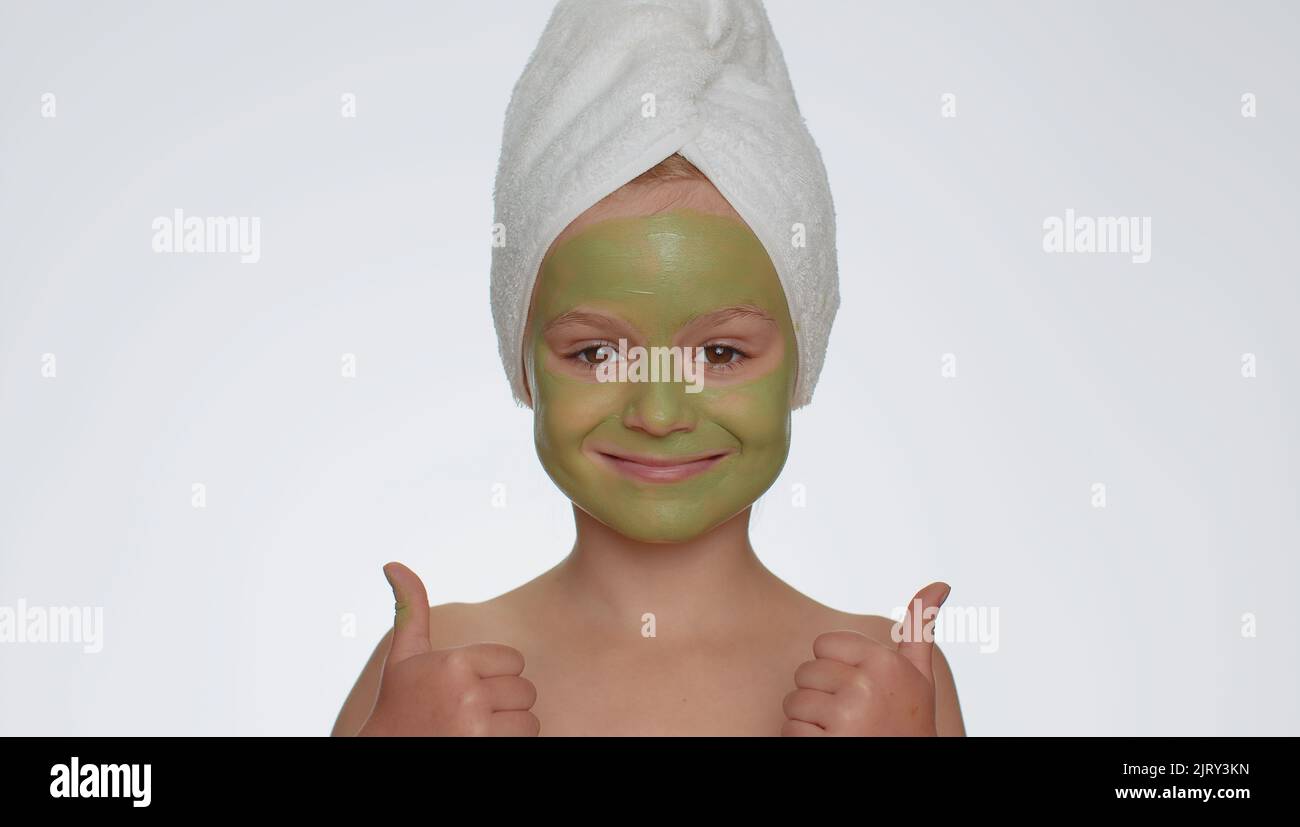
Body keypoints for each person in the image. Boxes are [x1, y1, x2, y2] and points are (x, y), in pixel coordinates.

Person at [330, 154, 965, 736]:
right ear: (522, 367)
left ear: (804, 363)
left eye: (720, 353)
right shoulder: (428, 668)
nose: (658, 413)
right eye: (598, 354)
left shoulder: (891, 682)